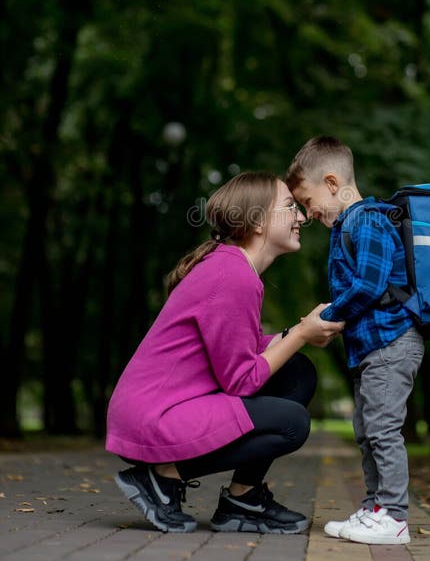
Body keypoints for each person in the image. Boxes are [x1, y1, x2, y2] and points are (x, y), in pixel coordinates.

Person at [106, 171, 344, 534]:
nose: (300, 217)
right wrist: (298, 334)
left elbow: (240, 351)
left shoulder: (232, 267)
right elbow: (241, 380)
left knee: (297, 372)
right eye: (289, 207)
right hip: (152, 418)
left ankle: (243, 501)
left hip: (167, 409)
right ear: (257, 220)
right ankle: (162, 479)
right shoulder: (232, 275)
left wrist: (296, 336)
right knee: (292, 423)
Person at [286, 137, 424, 545]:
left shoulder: (368, 220)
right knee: (366, 430)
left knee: (383, 428)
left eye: (308, 201)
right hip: (371, 348)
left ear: (332, 182)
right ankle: (374, 508)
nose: (308, 213)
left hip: (392, 343)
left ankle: (395, 516)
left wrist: (327, 318)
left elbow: (368, 284)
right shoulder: (347, 225)